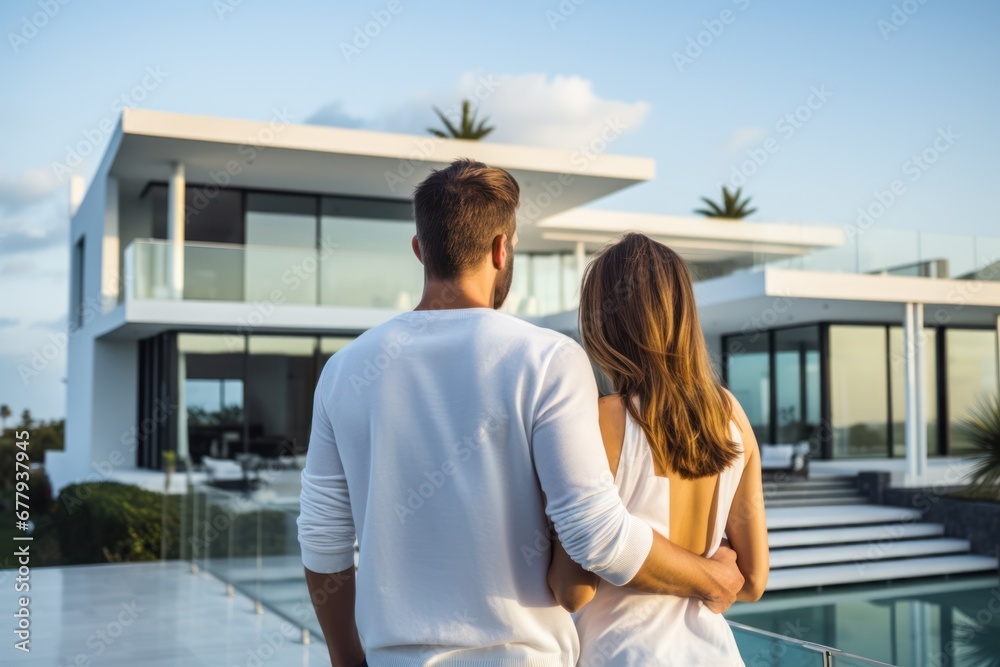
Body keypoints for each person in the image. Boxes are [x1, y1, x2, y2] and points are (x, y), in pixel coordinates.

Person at [297, 160, 745, 667]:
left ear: (420, 250)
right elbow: (594, 534)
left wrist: (347, 661)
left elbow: (322, 540)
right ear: (501, 249)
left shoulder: (345, 369)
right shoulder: (547, 359)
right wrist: (714, 577)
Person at [546, 232, 770, 666]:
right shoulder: (732, 416)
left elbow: (573, 591)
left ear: (603, 324)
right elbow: (753, 580)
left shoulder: (599, 420)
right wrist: (705, 568)